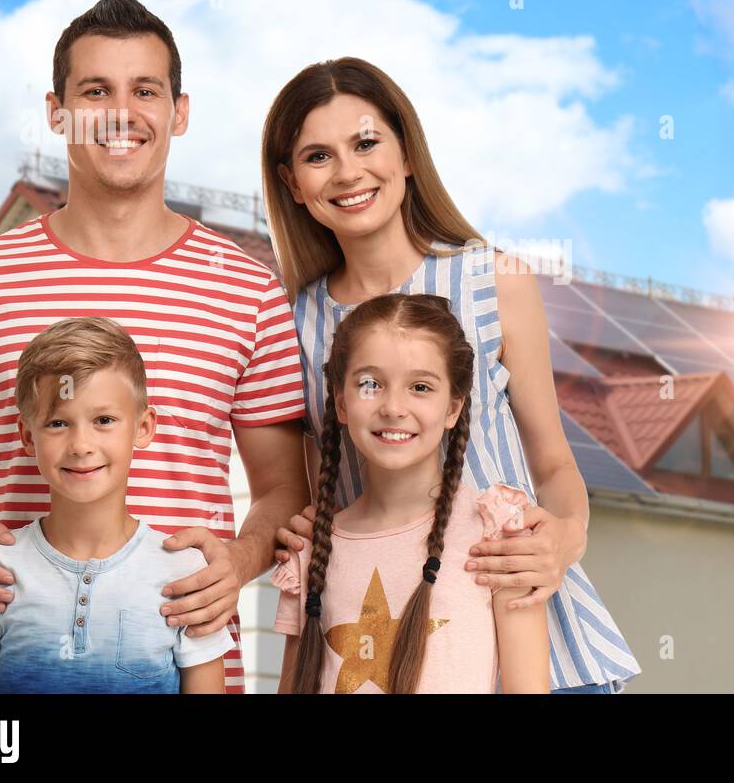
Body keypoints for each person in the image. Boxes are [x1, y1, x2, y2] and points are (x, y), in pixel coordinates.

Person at [0, 0, 309, 692]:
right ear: (57, 112)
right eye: (95, 91)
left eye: (145, 90)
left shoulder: (248, 289)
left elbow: (284, 489)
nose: (121, 112)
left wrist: (237, 564)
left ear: (178, 112)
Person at [261, 56, 640, 692]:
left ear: (407, 154)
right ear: (292, 183)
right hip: (390, 654)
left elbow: (553, 465)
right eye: (318, 156)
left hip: (535, 639)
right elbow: (317, 497)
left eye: (366, 143)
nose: (348, 171)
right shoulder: (291, 322)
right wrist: (295, 530)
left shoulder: (495, 281)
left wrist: (565, 538)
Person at [272, 293, 548, 693]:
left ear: (453, 408)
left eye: (420, 387)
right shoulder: (312, 548)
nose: (393, 407)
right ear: (341, 402)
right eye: (370, 384)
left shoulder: (496, 533)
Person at [0, 317, 233, 693]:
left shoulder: (185, 573)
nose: (81, 445)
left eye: (104, 420)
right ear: (27, 436)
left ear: (143, 427)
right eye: (57, 423)